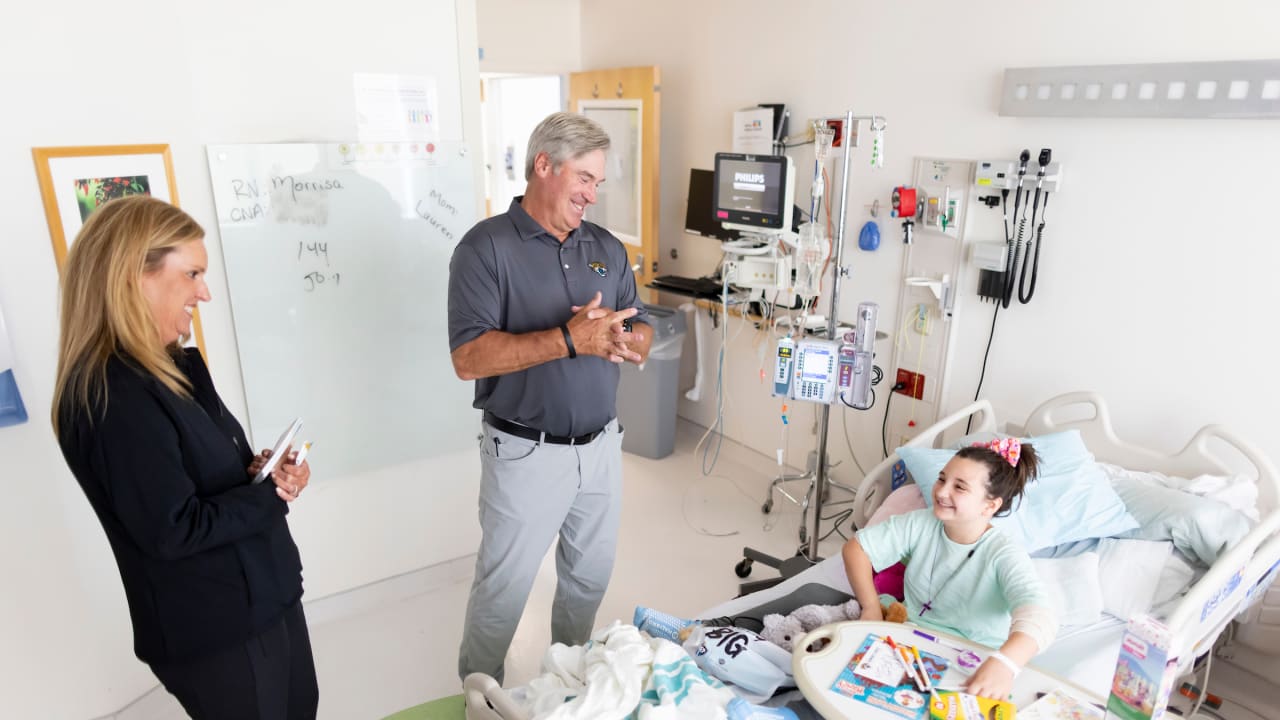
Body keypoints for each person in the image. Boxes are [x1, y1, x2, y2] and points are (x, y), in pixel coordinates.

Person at [51, 196, 318, 719]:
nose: (206, 292)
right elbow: (173, 528)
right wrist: (267, 496)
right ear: (135, 276)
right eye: (192, 273)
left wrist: (261, 473)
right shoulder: (110, 395)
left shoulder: (172, 367)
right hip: (215, 628)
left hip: (263, 596)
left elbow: (200, 479)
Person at [449, 111, 653, 682]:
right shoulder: (484, 248)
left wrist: (625, 339)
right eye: (584, 178)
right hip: (524, 452)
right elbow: (468, 358)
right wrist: (570, 339)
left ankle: (569, 689)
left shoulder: (607, 248)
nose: (591, 194)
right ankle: (479, 700)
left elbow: (644, 327)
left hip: (601, 449)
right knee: (505, 590)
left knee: (588, 581)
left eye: (597, 183)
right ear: (544, 165)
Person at [844, 439, 1056, 700]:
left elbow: (1040, 618)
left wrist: (1005, 664)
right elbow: (857, 549)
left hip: (970, 661)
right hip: (908, 640)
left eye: (959, 487)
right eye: (942, 479)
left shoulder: (1003, 554)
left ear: (990, 506)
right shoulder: (922, 523)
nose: (942, 492)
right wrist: (871, 607)